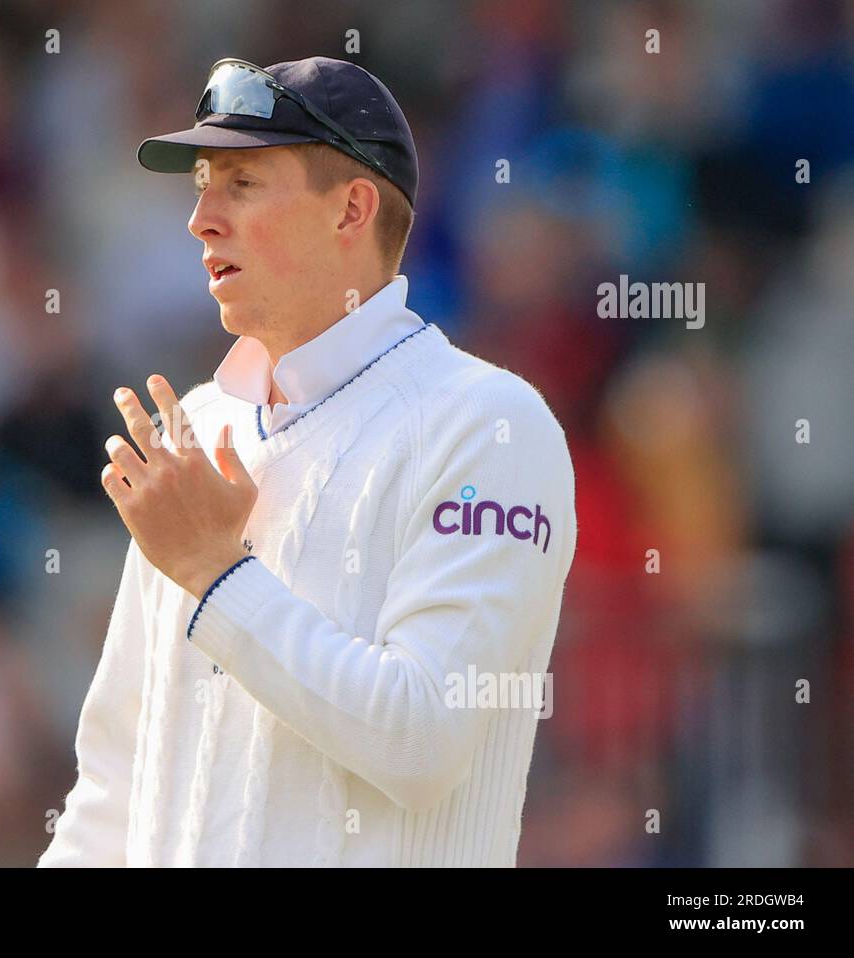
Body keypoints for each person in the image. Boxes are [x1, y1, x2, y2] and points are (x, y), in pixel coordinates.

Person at [38, 56, 577, 867]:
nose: (201, 220)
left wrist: (216, 575)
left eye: (243, 183)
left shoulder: (493, 425)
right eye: (201, 186)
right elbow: (115, 786)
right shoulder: (197, 425)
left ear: (352, 208)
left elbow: (422, 739)